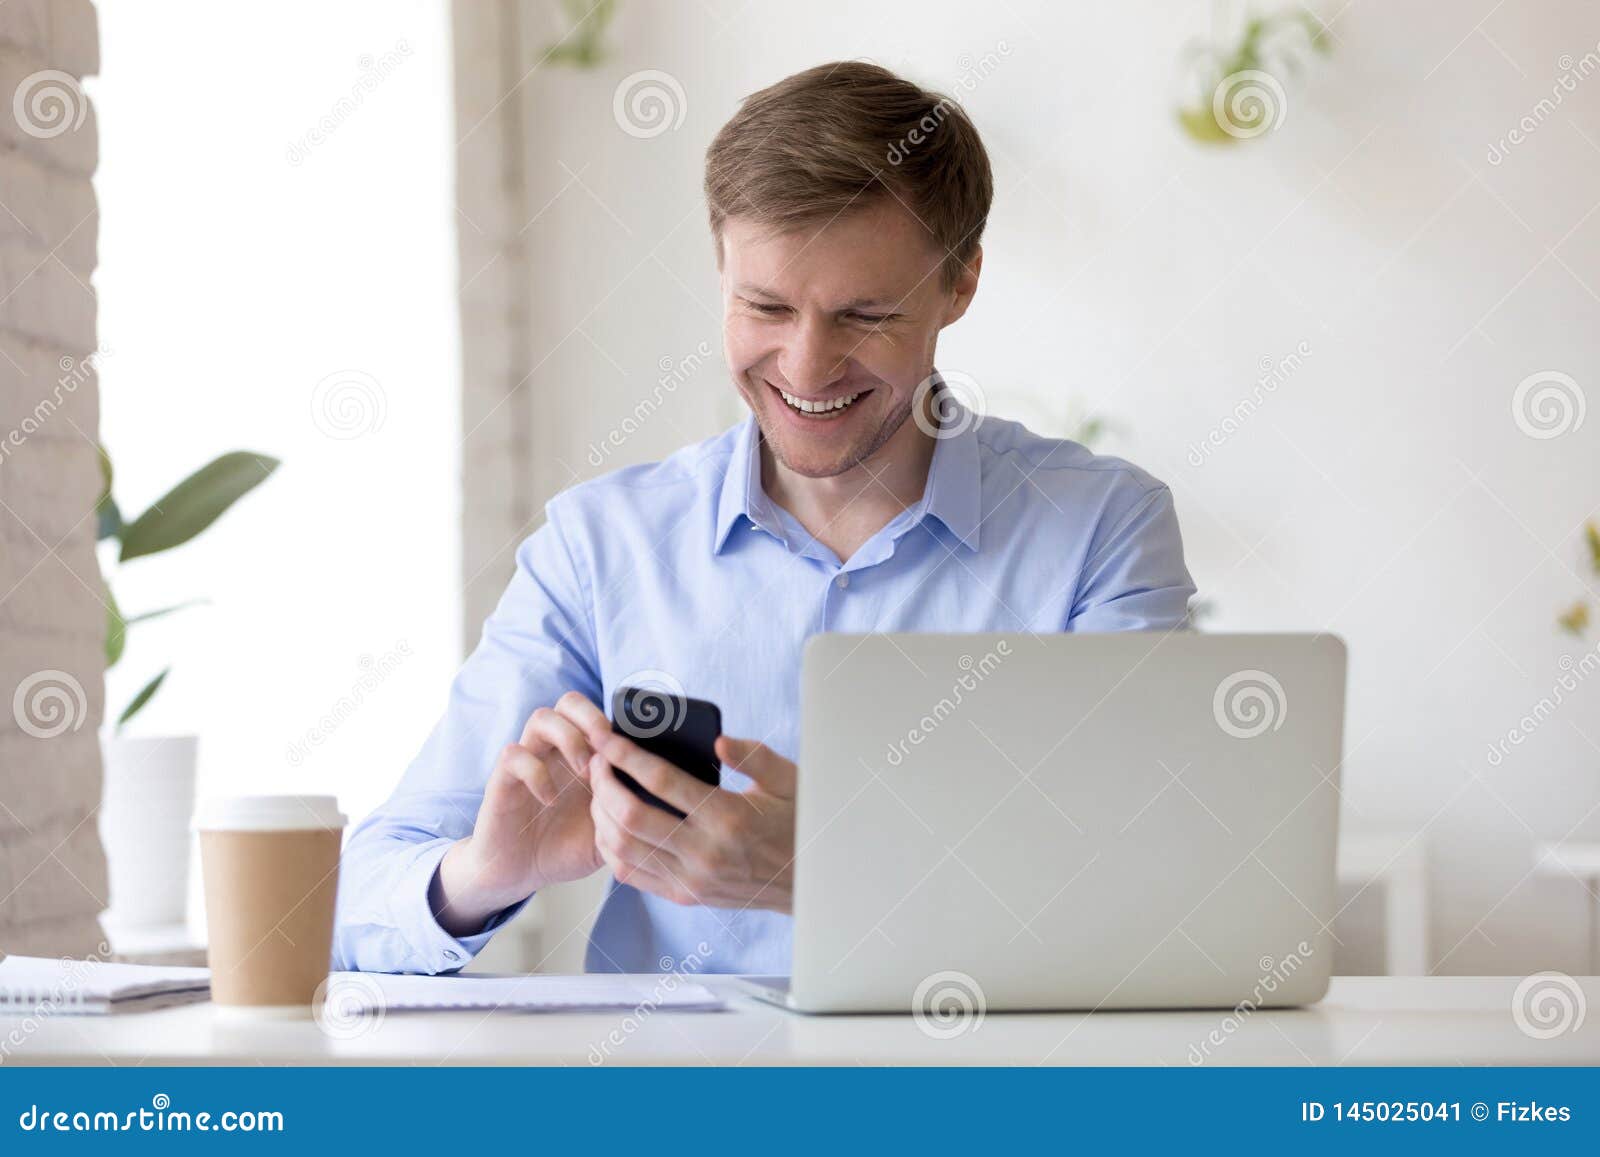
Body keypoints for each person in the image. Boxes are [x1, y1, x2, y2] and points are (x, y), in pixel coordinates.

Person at [332, 61, 1196, 976]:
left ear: (960, 283)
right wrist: (482, 871)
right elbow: (353, 899)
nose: (807, 365)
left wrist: (819, 869)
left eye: (865, 313)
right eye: (766, 305)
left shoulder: (1101, 532)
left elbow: (1156, 888)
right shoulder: (601, 547)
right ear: (721, 272)